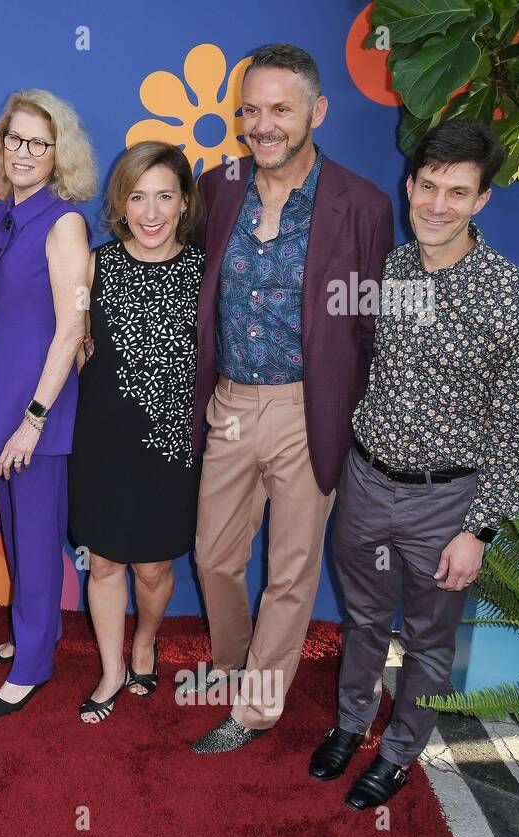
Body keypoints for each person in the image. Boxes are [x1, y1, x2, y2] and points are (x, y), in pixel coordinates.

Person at [309, 120, 519, 809]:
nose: (438, 204)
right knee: (361, 620)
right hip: (365, 481)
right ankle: (352, 723)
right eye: (429, 186)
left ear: (481, 200)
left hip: (446, 504)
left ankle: (397, 751)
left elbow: (516, 430)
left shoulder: (517, 301)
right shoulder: (388, 269)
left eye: (458, 191)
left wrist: (479, 529)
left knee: (428, 642)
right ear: (409, 185)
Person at [188, 44, 394, 753]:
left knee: (291, 568)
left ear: (317, 110)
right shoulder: (220, 186)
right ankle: (234, 665)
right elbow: (188, 275)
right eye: (251, 109)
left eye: (281, 109)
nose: (263, 124)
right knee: (214, 556)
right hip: (231, 402)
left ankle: (255, 708)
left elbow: (372, 323)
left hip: (310, 408)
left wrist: (353, 412)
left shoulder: (361, 204)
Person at [69, 142, 203, 723]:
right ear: (121, 204)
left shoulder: (204, 269)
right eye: (138, 197)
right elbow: (70, 339)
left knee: (151, 567)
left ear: (183, 203)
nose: (151, 213)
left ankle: (145, 641)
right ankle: (111, 668)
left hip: (170, 449)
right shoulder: (95, 265)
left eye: (165, 197)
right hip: (103, 441)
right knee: (102, 564)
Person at [0, 90, 95, 718]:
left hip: (38, 415)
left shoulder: (64, 222)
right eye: (14, 140)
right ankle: (31, 635)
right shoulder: (0, 218)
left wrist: (34, 420)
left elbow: (72, 328)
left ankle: (33, 666)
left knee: (39, 538)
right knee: (18, 538)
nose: (23, 152)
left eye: (38, 143)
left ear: (58, 154)